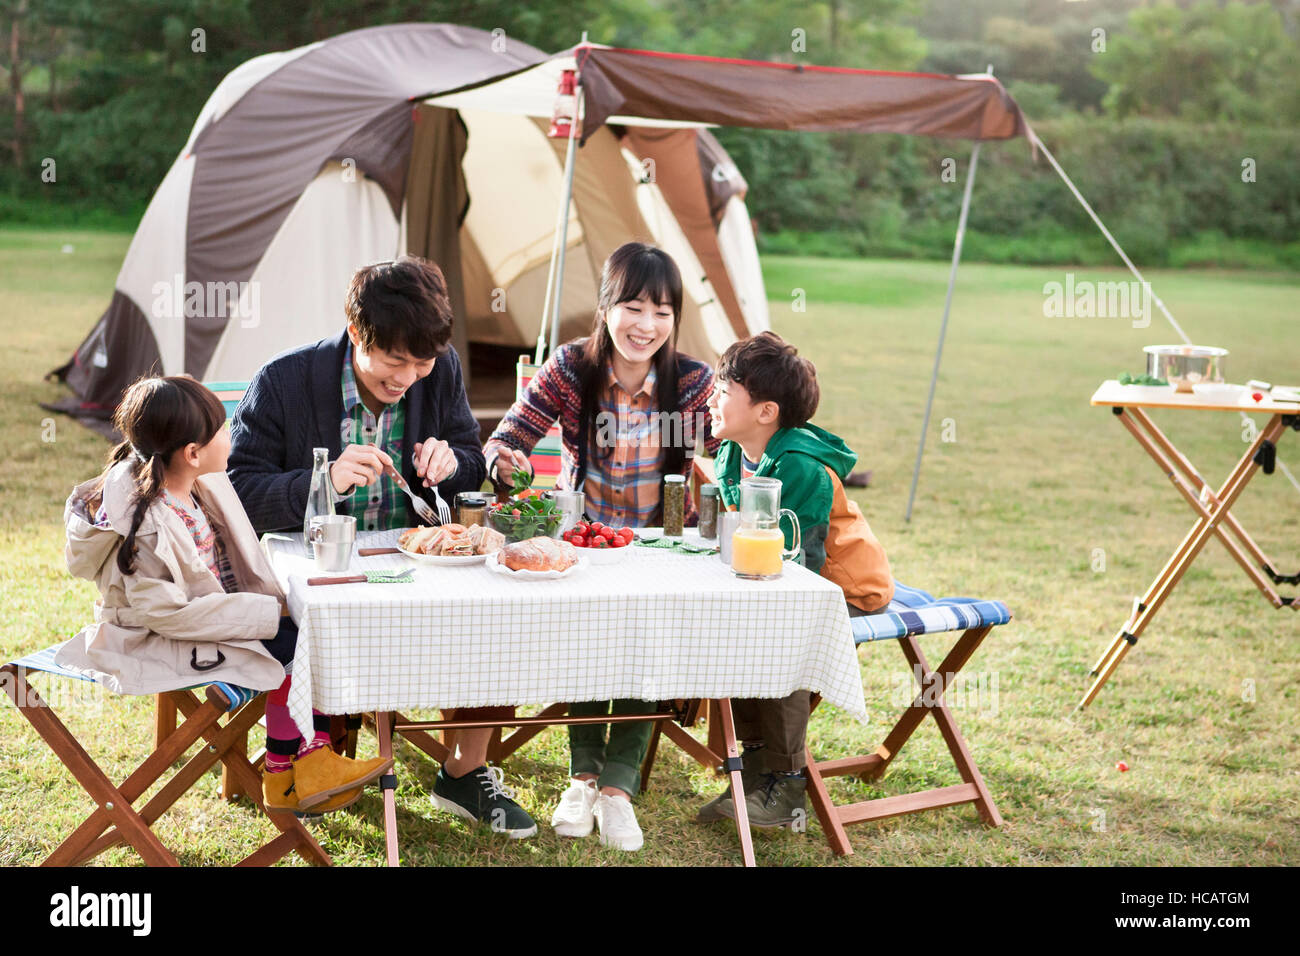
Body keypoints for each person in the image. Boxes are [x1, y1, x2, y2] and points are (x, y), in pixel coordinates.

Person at [228, 256, 537, 838]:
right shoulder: (284, 381)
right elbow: (238, 492)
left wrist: (451, 463)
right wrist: (326, 481)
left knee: (499, 610)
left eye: (420, 364)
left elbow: (472, 460)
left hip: (417, 560)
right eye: (394, 362)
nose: (407, 378)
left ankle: (465, 772)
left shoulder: (439, 370)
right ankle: (304, 755)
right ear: (355, 335)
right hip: (322, 576)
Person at [60, 376, 393, 815]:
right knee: (295, 643)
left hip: (211, 616)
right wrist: (261, 616)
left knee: (306, 630)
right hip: (154, 640)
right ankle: (289, 771)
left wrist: (264, 611)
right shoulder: (147, 523)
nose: (230, 431)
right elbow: (165, 614)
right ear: (192, 453)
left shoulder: (194, 484)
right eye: (221, 427)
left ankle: (302, 765)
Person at [484, 241, 720, 851]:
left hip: (660, 544)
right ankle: (582, 776)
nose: (647, 326)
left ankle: (616, 788)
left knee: (649, 637)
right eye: (634, 307)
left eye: (662, 312)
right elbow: (505, 440)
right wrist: (506, 463)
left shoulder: (694, 382)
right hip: (582, 542)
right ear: (607, 305)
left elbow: (731, 459)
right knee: (589, 639)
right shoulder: (570, 368)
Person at [700, 331, 894, 826]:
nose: (712, 399)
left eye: (724, 391)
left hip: (845, 587)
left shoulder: (801, 466)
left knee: (779, 637)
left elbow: (802, 565)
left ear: (765, 412)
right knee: (738, 629)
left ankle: (786, 785)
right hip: (778, 577)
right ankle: (758, 770)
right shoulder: (730, 453)